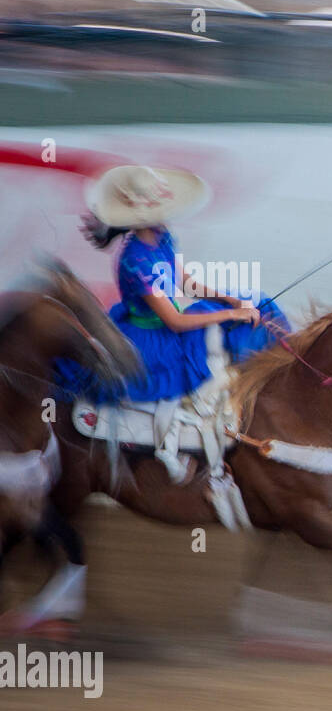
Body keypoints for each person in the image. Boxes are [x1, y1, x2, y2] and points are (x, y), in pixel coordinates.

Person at [79, 164, 290, 481]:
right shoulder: (135, 260)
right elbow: (175, 322)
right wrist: (231, 314)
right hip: (153, 338)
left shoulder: (162, 237)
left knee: (258, 302)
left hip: (173, 320)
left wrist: (228, 300)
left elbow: (185, 283)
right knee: (228, 331)